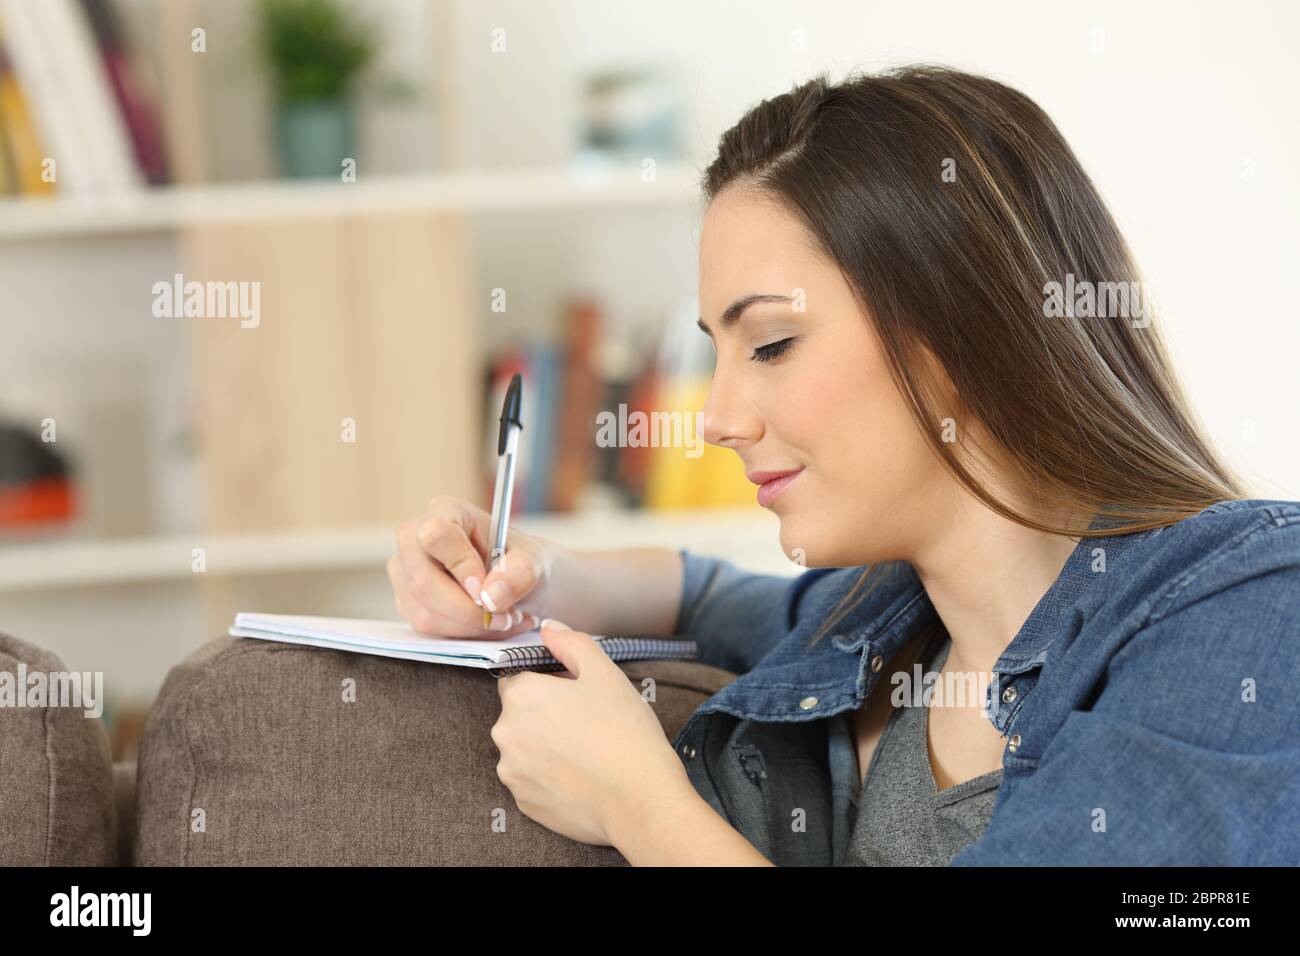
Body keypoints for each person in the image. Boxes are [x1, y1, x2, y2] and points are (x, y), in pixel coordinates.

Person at [386, 65, 1300, 866]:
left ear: (963, 329)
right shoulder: (886, 622)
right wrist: (533, 574)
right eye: (718, 354)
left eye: (773, 344)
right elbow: (702, 597)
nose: (716, 421)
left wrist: (643, 809)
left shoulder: (1254, 606)